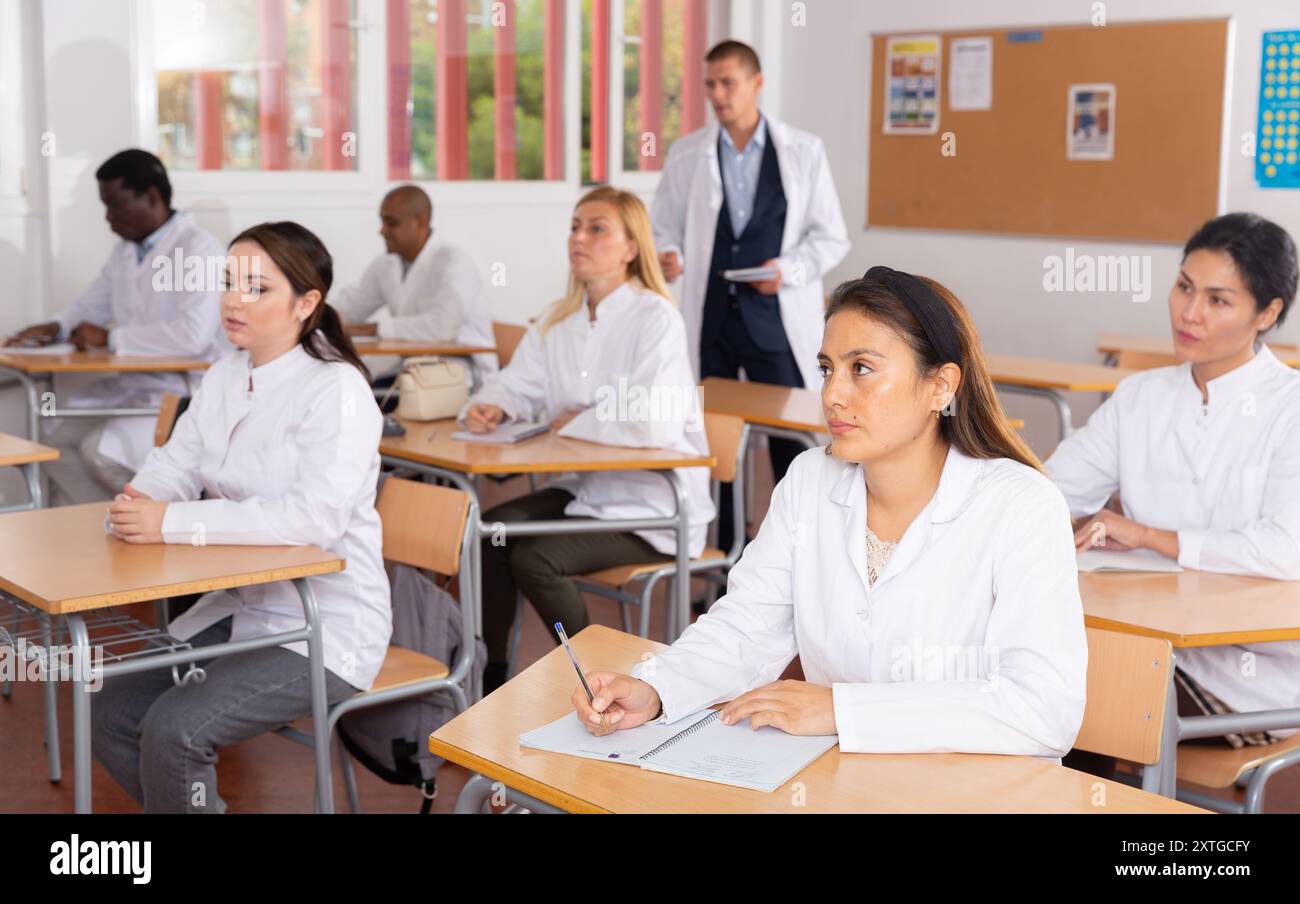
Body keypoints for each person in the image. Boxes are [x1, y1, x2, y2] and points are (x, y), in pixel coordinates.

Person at [571, 268, 1087, 758]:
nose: (833, 394)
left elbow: (1043, 710)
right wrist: (656, 688)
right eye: (827, 369)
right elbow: (746, 628)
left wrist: (842, 709)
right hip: (839, 781)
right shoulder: (809, 481)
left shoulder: (1021, 505)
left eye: (861, 369)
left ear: (941, 387)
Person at [91, 222, 390, 813]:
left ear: (306, 304)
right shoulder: (227, 372)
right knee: (111, 708)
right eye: (228, 282)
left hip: (325, 625)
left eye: (256, 288)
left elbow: (315, 520)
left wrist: (171, 524)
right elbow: (177, 461)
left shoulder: (337, 390)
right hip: (244, 605)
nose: (232, 299)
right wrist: (140, 502)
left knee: (176, 731)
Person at [1048, 212, 1300, 748]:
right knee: (1061, 668)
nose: (1189, 313)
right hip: (1149, 635)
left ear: (1268, 313)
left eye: (1218, 300)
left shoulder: (1291, 408)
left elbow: (1286, 549)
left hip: (1252, 673)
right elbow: (1049, 489)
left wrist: (1148, 537)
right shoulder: (1143, 396)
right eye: (1184, 287)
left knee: (1082, 684)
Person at [462, 187, 715, 694]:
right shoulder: (560, 320)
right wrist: (492, 403)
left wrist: (577, 421)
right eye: (575, 226)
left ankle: (600, 684)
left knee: (536, 559)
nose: (579, 238)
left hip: (656, 505)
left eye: (596, 228)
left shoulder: (656, 319)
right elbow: (518, 382)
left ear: (630, 247)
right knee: (489, 533)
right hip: (591, 492)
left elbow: (653, 424)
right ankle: (488, 683)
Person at [651, 40, 849, 550]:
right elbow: (662, 227)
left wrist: (786, 270)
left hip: (775, 320)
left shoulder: (802, 151)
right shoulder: (688, 153)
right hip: (713, 317)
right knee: (716, 441)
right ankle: (722, 556)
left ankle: (801, 553)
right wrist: (669, 253)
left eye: (728, 83)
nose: (718, 94)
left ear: (756, 83)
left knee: (793, 443)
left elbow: (831, 236)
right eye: (710, 84)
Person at [4, 149, 224, 504]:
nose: (107, 217)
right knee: (52, 439)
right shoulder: (126, 251)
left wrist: (111, 337)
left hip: (183, 393)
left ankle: (146, 523)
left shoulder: (199, 250)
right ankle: (102, 526)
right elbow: (92, 303)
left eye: (116, 204)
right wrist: (55, 327)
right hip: (134, 388)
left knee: (97, 451)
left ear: (151, 196)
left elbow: (193, 336)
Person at [334, 184, 497, 379]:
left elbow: (442, 327)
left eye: (391, 223)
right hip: (415, 371)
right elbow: (353, 304)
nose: (382, 231)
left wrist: (375, 329)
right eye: (382, 222)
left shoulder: (454, 263)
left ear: (420, 222)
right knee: (351, 382)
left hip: (462, 375)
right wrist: (316, 317)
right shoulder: (386, 264)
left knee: (364, 397)